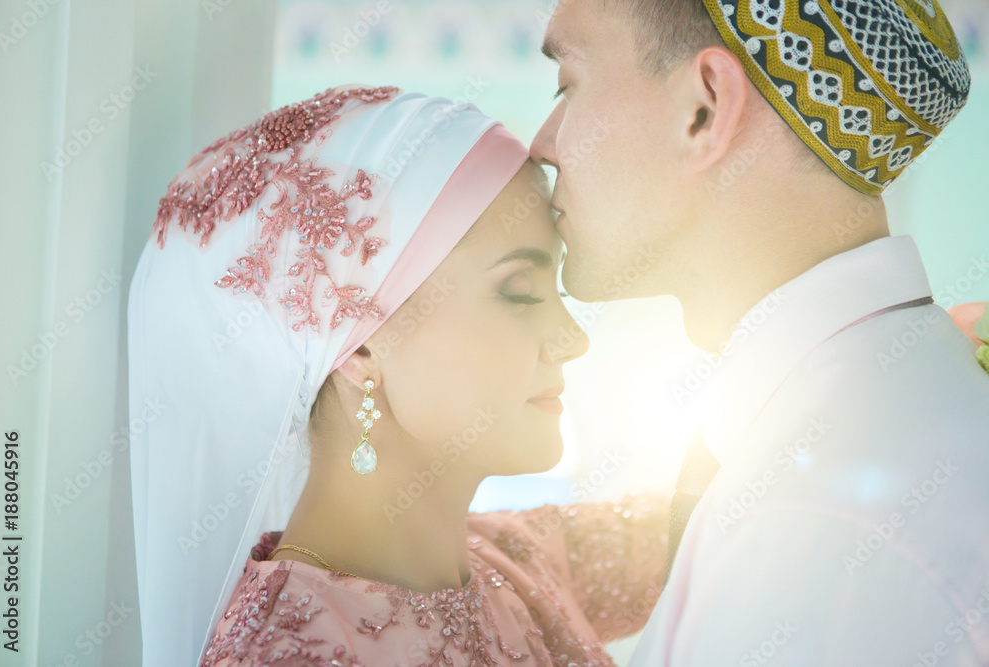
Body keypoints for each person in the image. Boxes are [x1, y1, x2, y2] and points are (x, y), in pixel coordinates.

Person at [128, 85, 670, 666]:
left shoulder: (517, 560)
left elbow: (698, 518)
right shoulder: (286, 655)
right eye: (519, 291)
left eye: (555, 288)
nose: (574, 338)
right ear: (360, 348)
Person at [530, 0, 989, 664]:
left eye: (566, 85)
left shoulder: (816, 532)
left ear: (705, 109)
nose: (541, 144)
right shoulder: (888, 415)